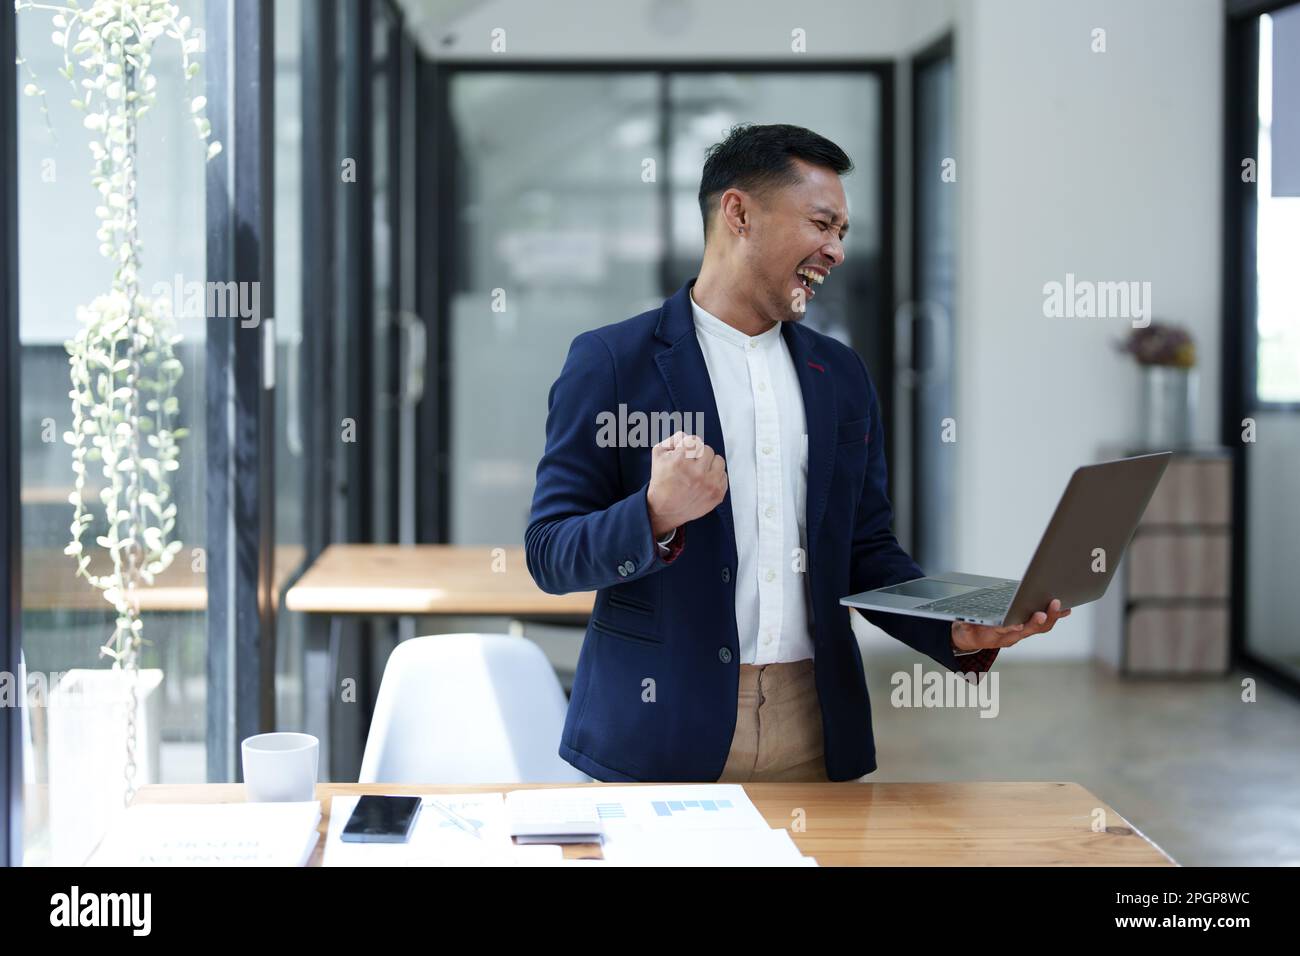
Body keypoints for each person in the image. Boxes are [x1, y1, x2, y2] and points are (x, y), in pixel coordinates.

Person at [525, 123, 1068, 783]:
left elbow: (864, 548)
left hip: (812, 730)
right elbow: (550, 552)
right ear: (739, 213)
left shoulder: (839, 377)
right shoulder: (612, 362)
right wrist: (654, 512)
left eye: (841, 231)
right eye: (822, 224)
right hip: (658, 730)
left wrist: (951, 630)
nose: (836, 250)